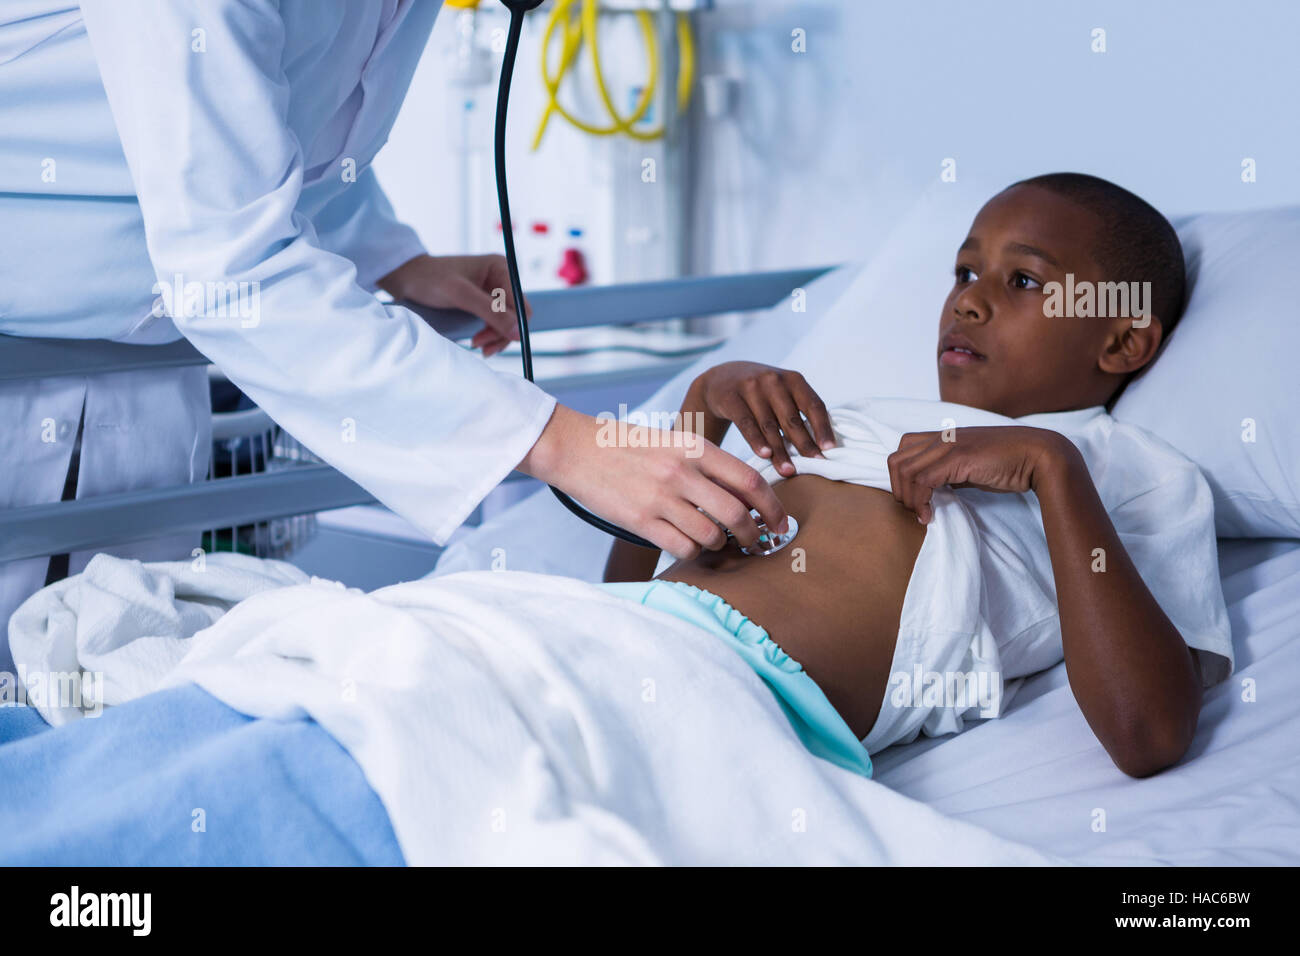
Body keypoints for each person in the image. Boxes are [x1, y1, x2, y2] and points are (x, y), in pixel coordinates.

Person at [0, 0, 784, 670]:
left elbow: (273, 135)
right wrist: (563, 444)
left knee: (104, 680)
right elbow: (229, 267)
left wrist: (394, 258)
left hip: (137, 373)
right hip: (23, 348)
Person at [603, 173, 1233, 779]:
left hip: (733, 694)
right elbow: (621, 586)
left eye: (1022, 280)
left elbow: (1147, 734)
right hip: (620, 630)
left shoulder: (1128, 471)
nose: (967, 300)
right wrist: (700, 412)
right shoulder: (863, 415)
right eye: (964, 273)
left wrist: (1051, 466)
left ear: (1123, 342)